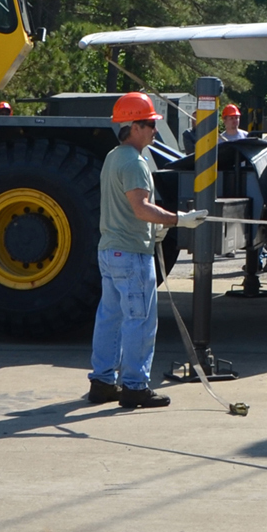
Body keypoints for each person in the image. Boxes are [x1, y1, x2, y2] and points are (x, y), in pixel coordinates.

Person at [87, 91, 207, 409]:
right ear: (134, 127)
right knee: (140, 321)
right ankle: (135, 387)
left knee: (110, 318)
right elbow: (141, 208)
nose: (155, 130)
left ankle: (102, 382)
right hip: (131, 254)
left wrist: (156, 226)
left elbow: (128, 209)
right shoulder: (134, 163)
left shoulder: (114, 157)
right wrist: (179, 220)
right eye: (151, 124)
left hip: (110, 251)